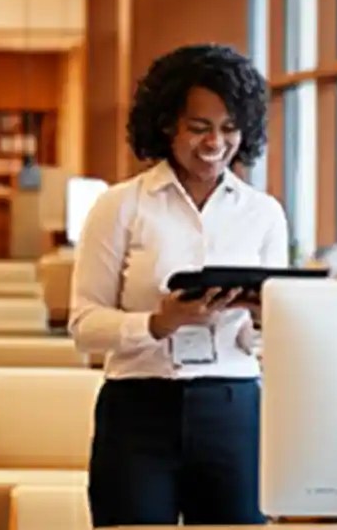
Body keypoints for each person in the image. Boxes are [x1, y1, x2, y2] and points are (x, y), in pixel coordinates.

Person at [69, 43, 289, 527]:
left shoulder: (263, 213)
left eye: (229, 128)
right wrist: (157, 322)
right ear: (168, 124)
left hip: (232, 405)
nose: (215, 143)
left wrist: (260, 317)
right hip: (140, 406)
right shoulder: (120, 206)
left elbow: (271, 338)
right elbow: (84, 324)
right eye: (199, 127)